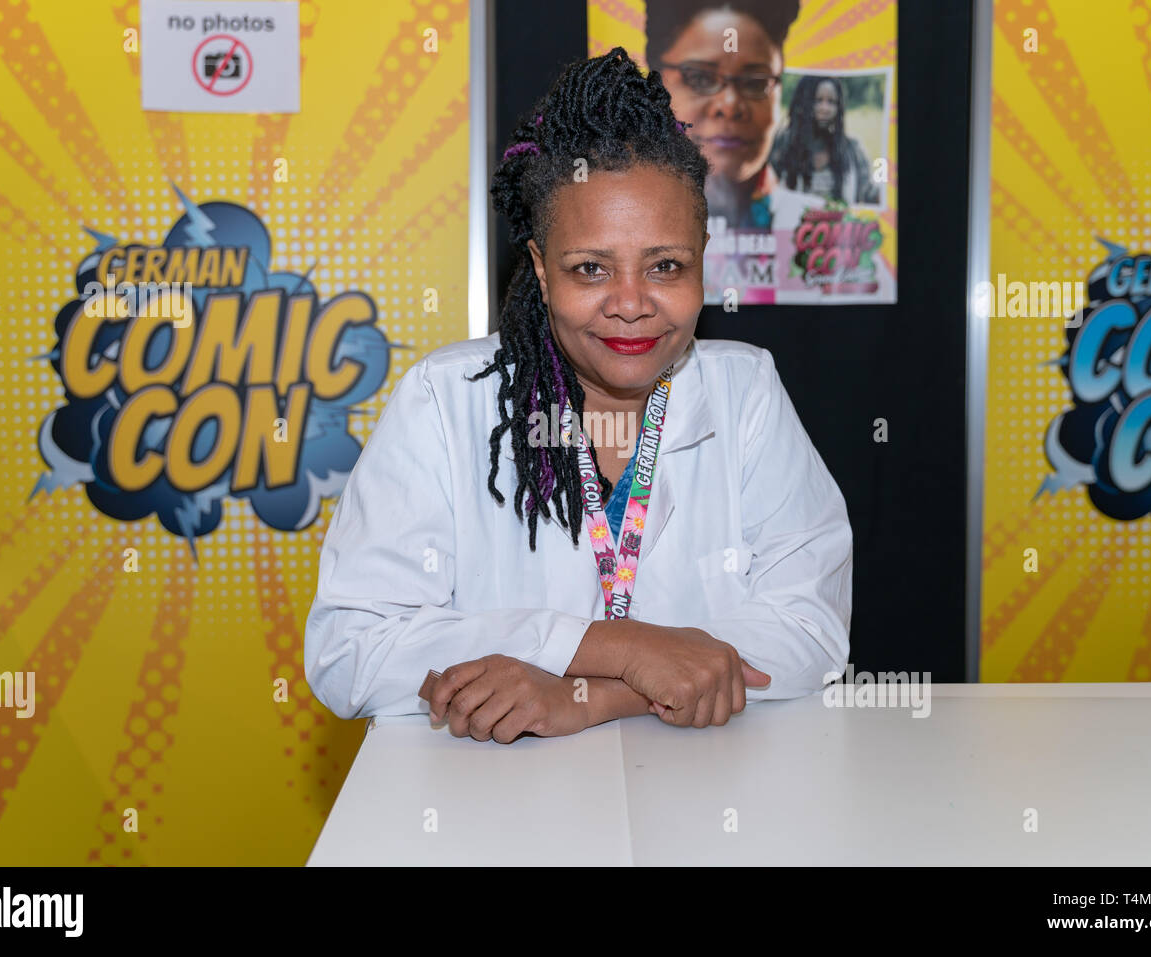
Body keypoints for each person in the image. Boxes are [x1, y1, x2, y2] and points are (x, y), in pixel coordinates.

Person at [304, 48, 852, 744]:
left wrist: (592, 696)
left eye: (666, 265)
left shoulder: (745, 392)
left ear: (703, 257)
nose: (631, 304)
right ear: (538, 267)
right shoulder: (444, 403)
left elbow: (813, 629)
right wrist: (609, 646)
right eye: (590, 268)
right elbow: (350, 651)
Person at [644, 0, 801, 229]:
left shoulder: (819, 228)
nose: (730, 106)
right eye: (700, 79)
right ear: (654, 84)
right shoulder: (620, 219)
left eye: (755, 83)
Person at [773, 75, 880, 206]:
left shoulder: (852, 149)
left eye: (832, 102)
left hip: (840, 225)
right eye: (818, 100)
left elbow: (870, 193)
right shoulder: (784, 144)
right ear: (803, 103)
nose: (825, 109)